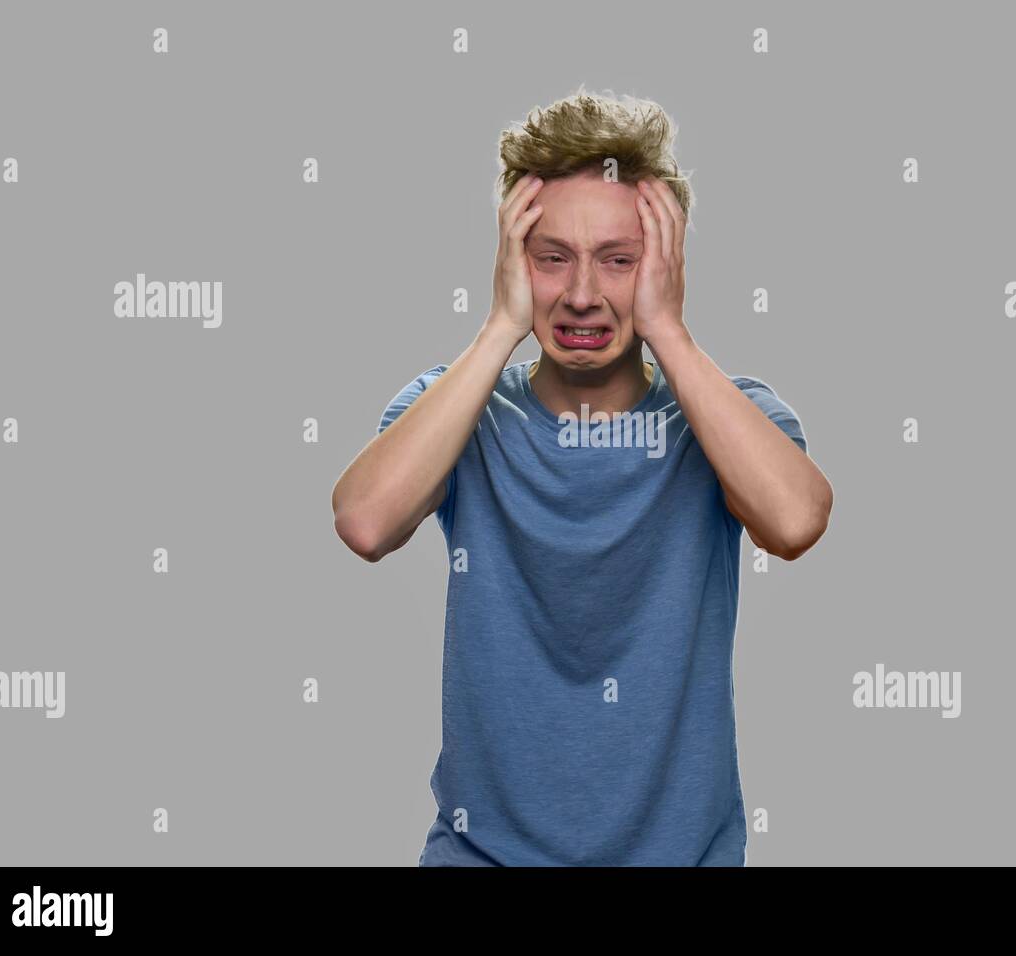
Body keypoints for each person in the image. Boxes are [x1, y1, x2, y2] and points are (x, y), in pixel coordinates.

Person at [331, 88, 833, 866]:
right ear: (511, 261)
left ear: (664, 265)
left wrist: (667, 327)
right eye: (551, 256)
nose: (581, 295)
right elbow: (364, 523)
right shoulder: (461, 411)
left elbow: (795, 522)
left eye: (619, 261)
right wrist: (501, 325)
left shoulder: (729, 418)